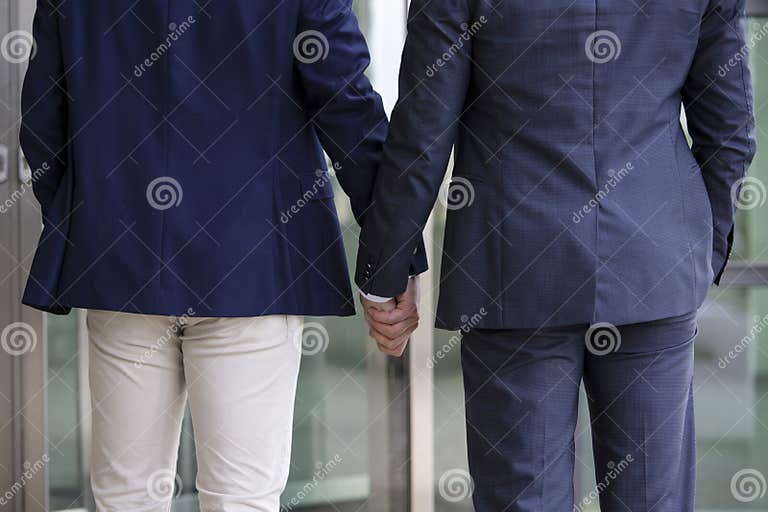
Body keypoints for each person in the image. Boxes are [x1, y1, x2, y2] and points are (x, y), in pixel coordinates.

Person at [20, 0, 424, 510]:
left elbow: (42, 123)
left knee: (124, 497)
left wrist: (95, 223)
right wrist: (391, 259)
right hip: (253, 265)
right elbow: (349, 109)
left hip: (123, 262)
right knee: (242, 499)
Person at [358, 0, 756, 510]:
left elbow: (421, 133)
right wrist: (695, 249)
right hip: (652, 266)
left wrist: (388, 269)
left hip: (513, 267)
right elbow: (730, 131)